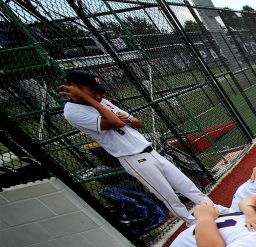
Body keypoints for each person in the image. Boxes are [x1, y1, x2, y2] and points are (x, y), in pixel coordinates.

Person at [60, 69, 211, 225]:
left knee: (186, 184)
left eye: (100, 92)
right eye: (92, 92)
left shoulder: (102, 102)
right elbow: (115, 123)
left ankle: (213, 208)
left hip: (150, 151)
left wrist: (125, 119)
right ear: (74, 87)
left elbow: (137, 122)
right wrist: (86, 98)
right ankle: (191, 222)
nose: (99, 96)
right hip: (133, 158)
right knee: (168, 195)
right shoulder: (72, 111)